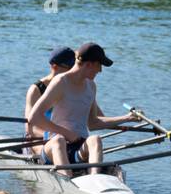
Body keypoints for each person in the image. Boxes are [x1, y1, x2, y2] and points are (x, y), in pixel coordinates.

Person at [26, 42, 138, 177]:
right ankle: (67, 180)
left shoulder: (91, 86)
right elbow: (34, 117)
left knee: (95, 139)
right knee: (59, 140)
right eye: (99, 65)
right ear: (88, 64)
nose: (100, 70)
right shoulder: (61, 82)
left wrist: (127, 118)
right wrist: (68, 134)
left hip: (78, 149)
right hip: (54, 148)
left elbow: (93, 123)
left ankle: (95, 180)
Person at [24, 46, 76, 157]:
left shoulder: (71, 86)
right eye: (69, 68)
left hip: (63, 138)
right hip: (37, 140)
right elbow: (30, 128)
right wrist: (55, 136)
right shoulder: (36, 90)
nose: (73, 72)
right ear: (54, 66)